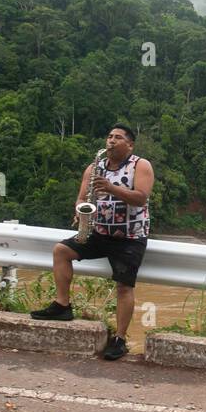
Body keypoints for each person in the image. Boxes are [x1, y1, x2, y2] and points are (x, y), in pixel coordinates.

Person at [30, 124, 153, 361]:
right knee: (61, 251)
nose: (111, 141)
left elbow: (140, 198)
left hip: (129, 237)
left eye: (118, 137)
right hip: (98, 232)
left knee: (124, 286)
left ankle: (119, 339)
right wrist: (80, 211)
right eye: (109, 136)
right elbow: (80, 199)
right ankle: (62, 306)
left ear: (130, 144)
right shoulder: (94, 168)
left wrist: (111, 188)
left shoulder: (141, 165)